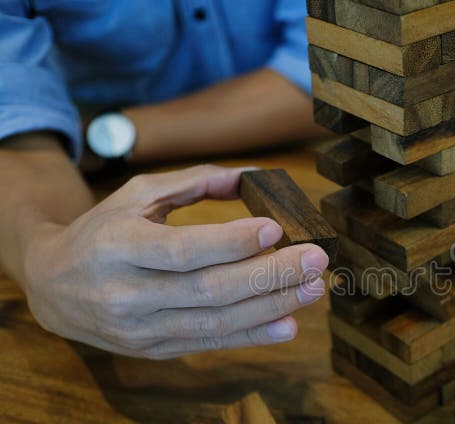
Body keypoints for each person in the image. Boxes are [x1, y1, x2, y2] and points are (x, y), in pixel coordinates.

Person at [0, 2, 331, 360]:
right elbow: (17, 130)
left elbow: (331, 75)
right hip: (85, 187)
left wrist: (110, 136)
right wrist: (41, 253)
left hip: (306, 156)